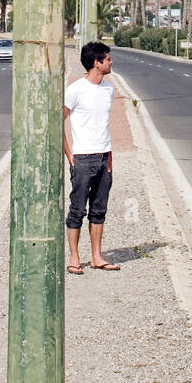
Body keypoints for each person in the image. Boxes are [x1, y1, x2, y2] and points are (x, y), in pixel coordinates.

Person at [63, 41, 119, 274]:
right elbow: (58, 121)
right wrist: (69, 155)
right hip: (82, 157)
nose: (111, 62)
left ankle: (97, 257)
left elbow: (103, 125)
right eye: (107, 59)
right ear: (97, 63)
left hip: (104, 157)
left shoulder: (108, 89)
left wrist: (109, 156)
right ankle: (74, 258)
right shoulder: (75, 90)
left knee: (99, 210)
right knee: (77, 210)